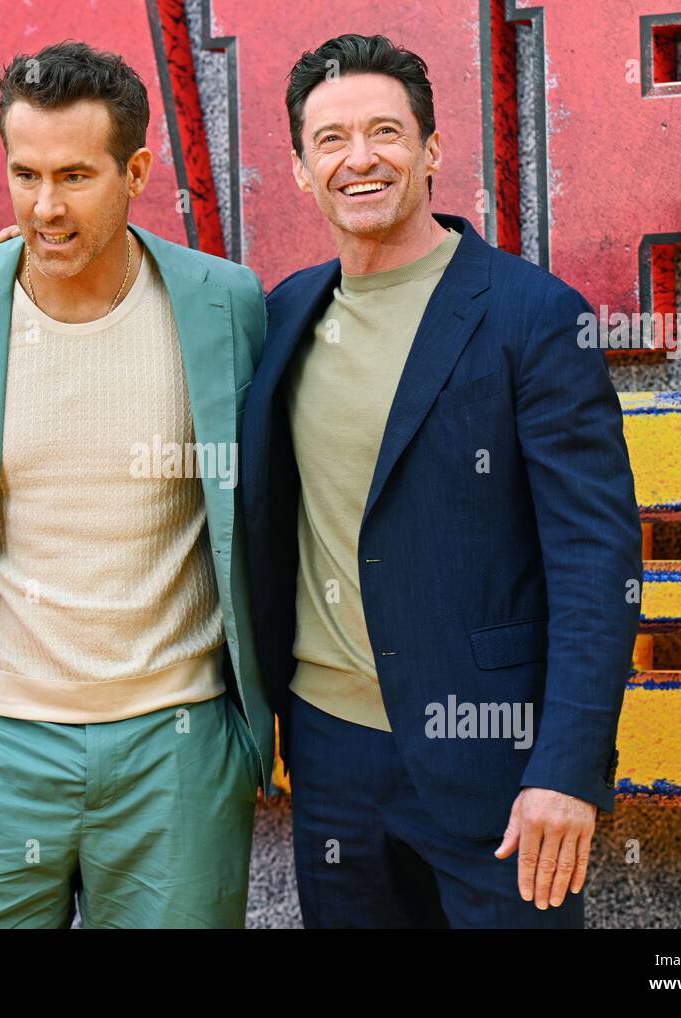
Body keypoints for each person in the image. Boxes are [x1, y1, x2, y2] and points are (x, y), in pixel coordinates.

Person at [0, 40, 272, 929]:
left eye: (75, 176)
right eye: (25, 174)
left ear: (138, 170)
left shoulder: (227, 304)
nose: (46, 208)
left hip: (178, 749)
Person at [240, 34, 643, 928]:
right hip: (329, 753)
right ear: (302, 171)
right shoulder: (280, 315)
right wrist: (19, 260)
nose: (360, 158)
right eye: (330, 139)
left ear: (430, 149)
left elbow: (595, 562)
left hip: (496, 764)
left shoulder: (534, 316)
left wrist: (566, 773)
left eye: (385, 131)